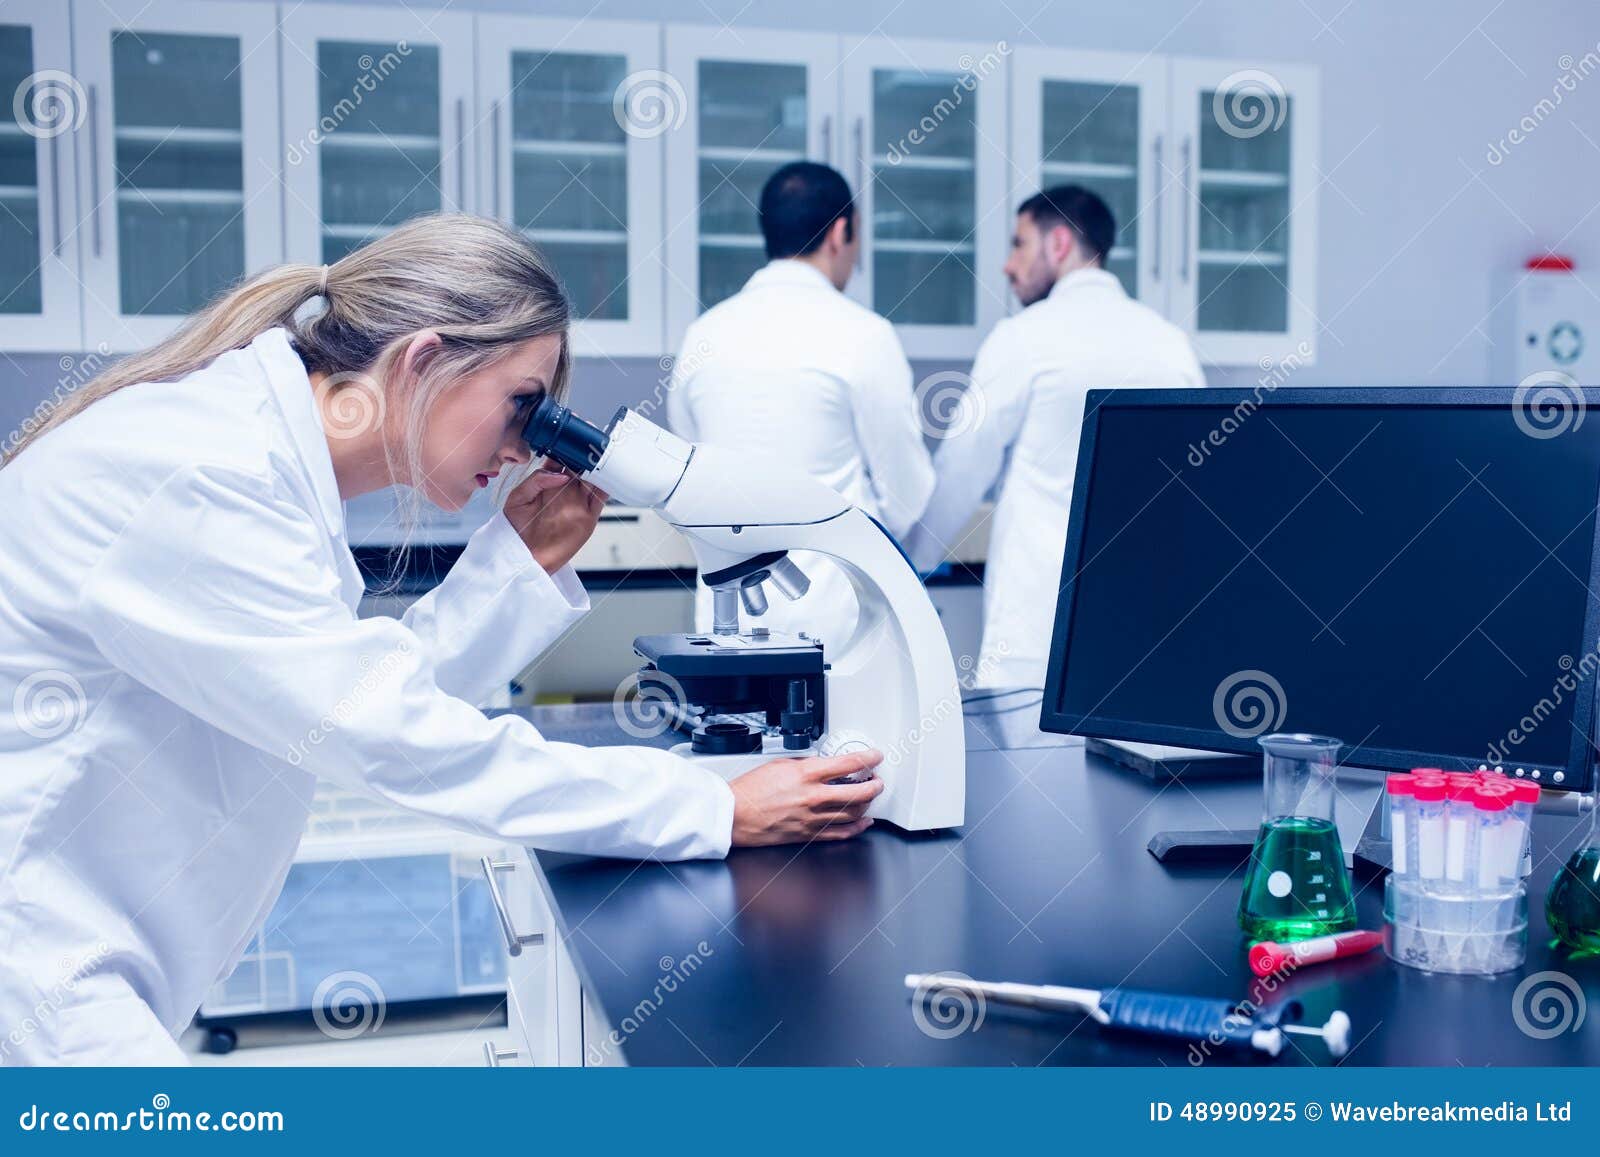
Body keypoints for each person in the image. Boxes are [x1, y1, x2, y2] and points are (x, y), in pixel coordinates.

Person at [0, 214, 883, 1065]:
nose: (525, 444)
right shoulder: (205, 476)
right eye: (522, 406)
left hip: (76, 954)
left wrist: (518, 565)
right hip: (36, 959)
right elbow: (386, 732)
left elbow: (356, 699)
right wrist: (713, 808)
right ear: (423, 360)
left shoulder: (254, 456)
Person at [907, 186, 1205, 689]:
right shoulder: (1171, 346)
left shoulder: (1024, 337)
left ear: (1059, 244)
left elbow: (961, 471)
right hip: (1147, 633)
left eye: (1019, 244)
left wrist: (909, 565)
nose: (1007, 265)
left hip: (1038, 637)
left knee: (1027, 768)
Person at [668, 161, 933, 647]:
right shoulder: (865, 335)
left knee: (729, 726)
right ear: (840, 233)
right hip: (839, 621)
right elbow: (907, 495)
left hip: (728, 626)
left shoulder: (702, 336)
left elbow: (690, 473)